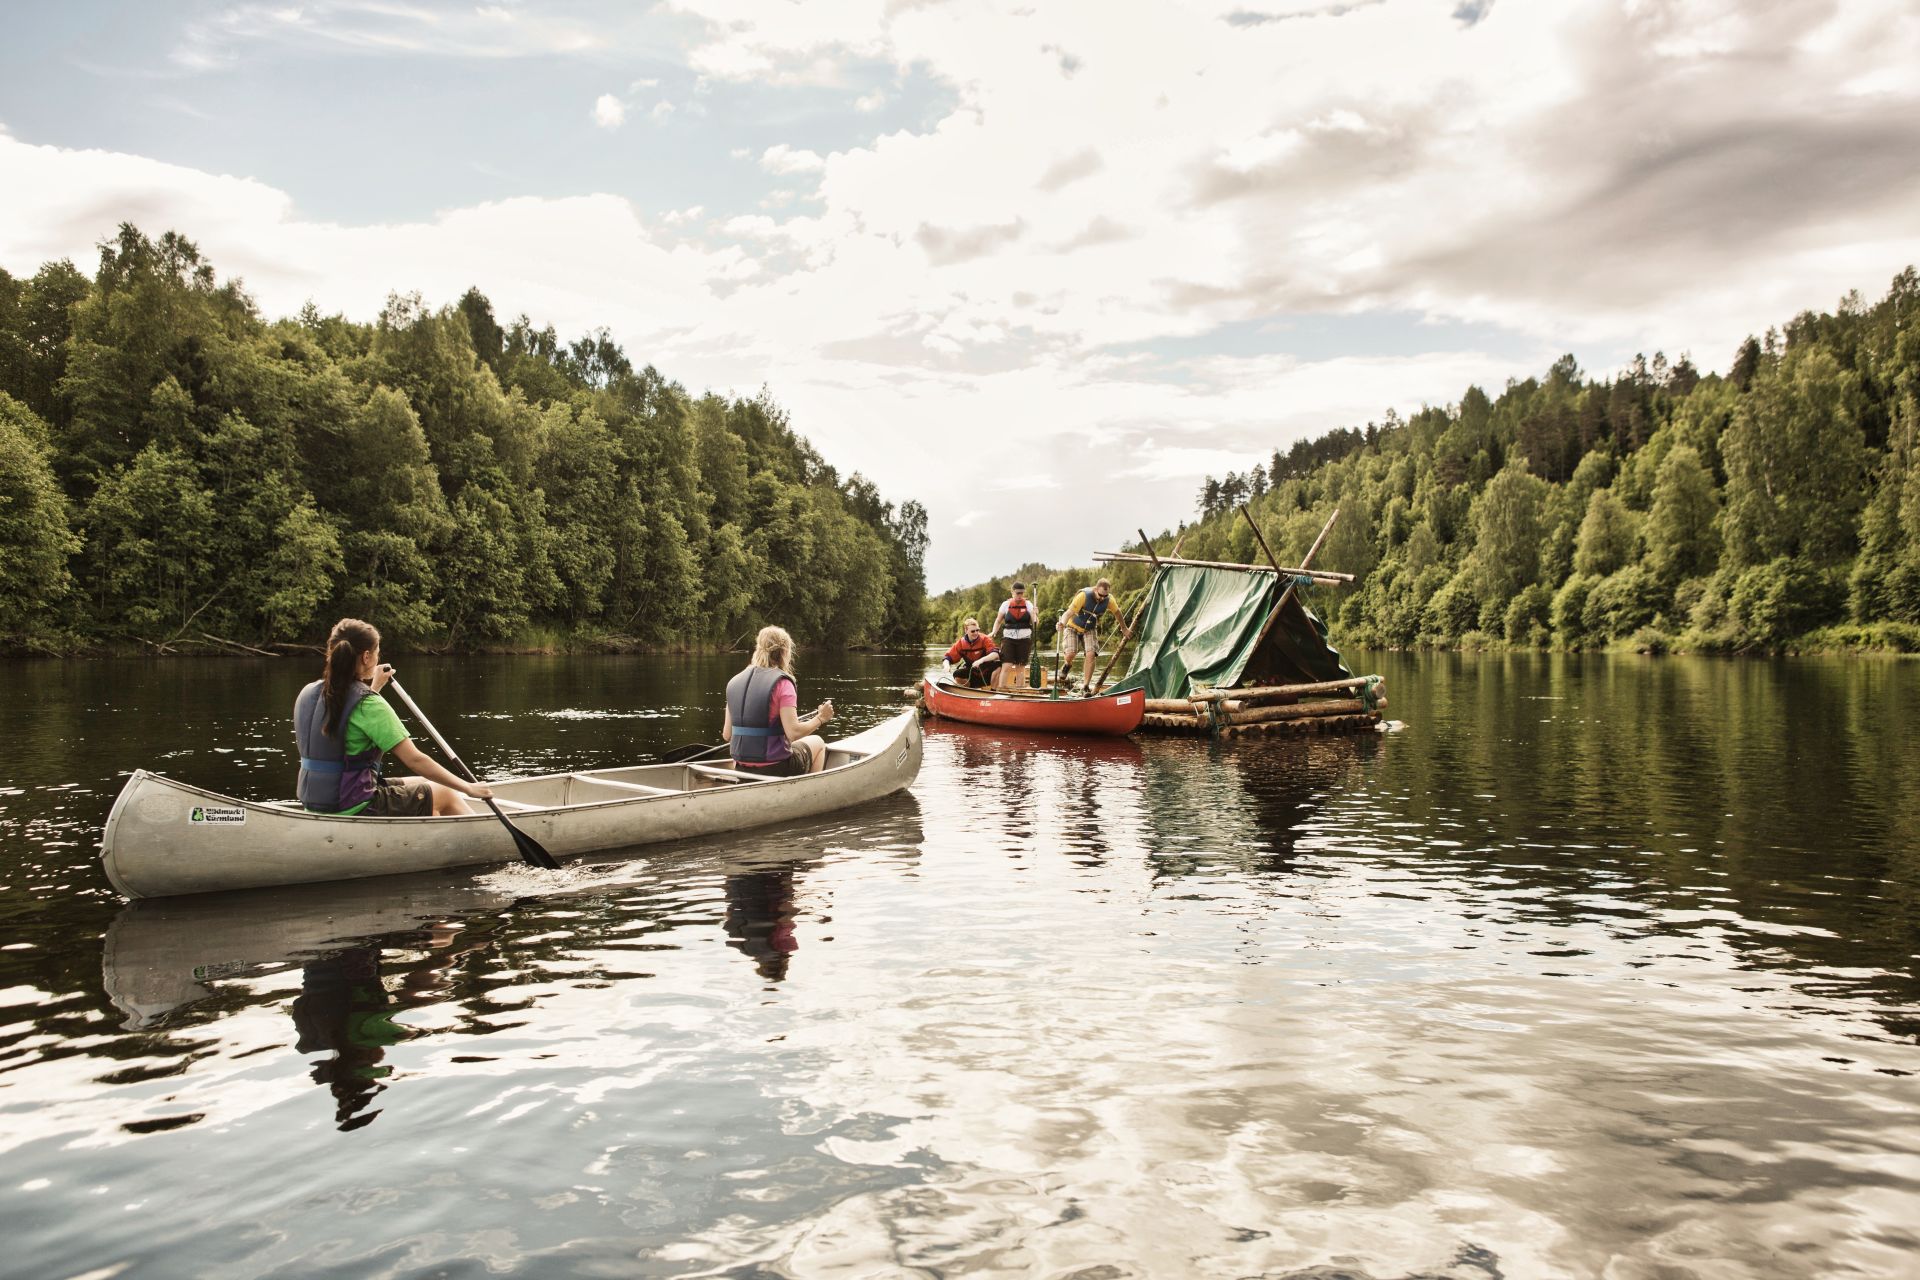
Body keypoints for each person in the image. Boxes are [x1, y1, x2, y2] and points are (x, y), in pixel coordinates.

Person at [294, 618, 494, 816]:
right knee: (447, 792)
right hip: (353, 804)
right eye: (377, 653)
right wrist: (468, 787)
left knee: (426, 785)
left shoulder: (308, 693)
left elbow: (347, 720)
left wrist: (375, 688)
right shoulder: (369, 704)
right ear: (366, 657)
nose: (378, 658)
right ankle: (487, 838)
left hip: (316, 802)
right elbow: (415, 760)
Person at [722, 625, 833, 777]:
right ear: (785, 652)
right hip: (775, 768)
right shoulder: (783, 684)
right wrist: (821, 718)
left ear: (758, 648)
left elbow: (727, 735)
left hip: (741, 768)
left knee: (790, 745)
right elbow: (793, 733)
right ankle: (807, 794)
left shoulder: (734, 682)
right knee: (819, 743)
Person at [1057, 578, 1119, 688]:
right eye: (1100, 595)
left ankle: (1086, 685)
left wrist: (1124, 628)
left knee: (1091, 654)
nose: (1102, 598)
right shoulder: (1083, 596)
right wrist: (1062, 623)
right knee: (1071, 653)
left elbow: (1118, 613)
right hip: (1072, 627)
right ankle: (1067, 664)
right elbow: (1068, 613)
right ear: (1095, 589)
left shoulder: (1109, 600)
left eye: (1105, 596)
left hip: (1089, 629)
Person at [987, 582, 1037, 690]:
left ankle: (1019, 691)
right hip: (1009, 639)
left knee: (1020, 668)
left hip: (1024, 640)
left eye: (1022, 593)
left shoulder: (1028, 604)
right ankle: (1001, 690)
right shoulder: (1005, 605)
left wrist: (1035, 614)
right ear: (1012, 592)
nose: (1020, 596)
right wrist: (993, 632)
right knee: (1006, 665)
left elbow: (1036, 623)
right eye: (1018, 593)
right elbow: (998, 620)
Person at [943, 617, 1003, 689]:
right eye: (973, 631)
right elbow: (947, 657)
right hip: (972, 674)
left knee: (998, 665)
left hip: (986, 673)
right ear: (966, 631)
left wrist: (981, 660)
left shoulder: (985, 639)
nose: (976, 633)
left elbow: (995, 654)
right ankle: (969, 692)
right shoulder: (961, 643)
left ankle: (993, 692)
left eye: (977, 630)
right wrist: (946, 666)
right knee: (957, 674)